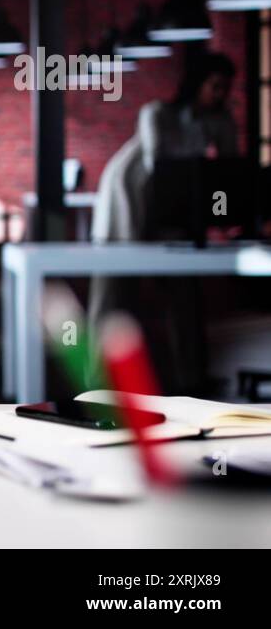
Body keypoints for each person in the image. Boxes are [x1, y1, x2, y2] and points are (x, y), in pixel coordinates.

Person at [89, 51, 239, 394]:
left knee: (185, 291)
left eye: (225, 88)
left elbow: (228, 170)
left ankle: (192, 377)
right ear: (196, 84)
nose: (220, 94)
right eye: (215, 86)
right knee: (114, 294)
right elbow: (160, 162)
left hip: (170, 207)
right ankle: (98, 380)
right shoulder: (156, 112)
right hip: (129, 195)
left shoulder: (219, 120)